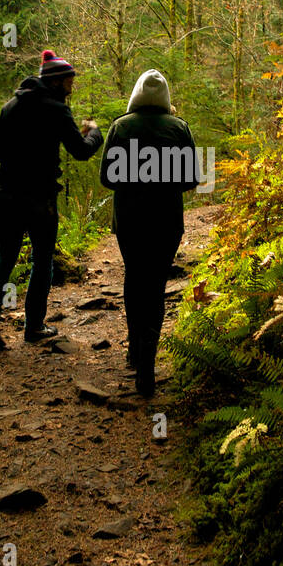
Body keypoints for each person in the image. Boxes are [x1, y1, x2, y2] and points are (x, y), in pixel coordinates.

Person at [0, 50, 102, 350]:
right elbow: (82, 151)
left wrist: (18, 162)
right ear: (57, 82)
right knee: (43, 258)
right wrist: (95, 133)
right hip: (40, 198)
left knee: (4, 255)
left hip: (6, 194)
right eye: (70, 82)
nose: (72, 88)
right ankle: (33, 326)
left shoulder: (11, 106)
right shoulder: (57, 110)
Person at [98, 69, 200, 396]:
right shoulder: (180, 128)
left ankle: (134, 350)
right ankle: (148, 364)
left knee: (134, 277)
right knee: (156, 285)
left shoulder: (120, 127)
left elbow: (108, 179)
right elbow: (190, 180)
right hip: (165, 221)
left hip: (129, 221)